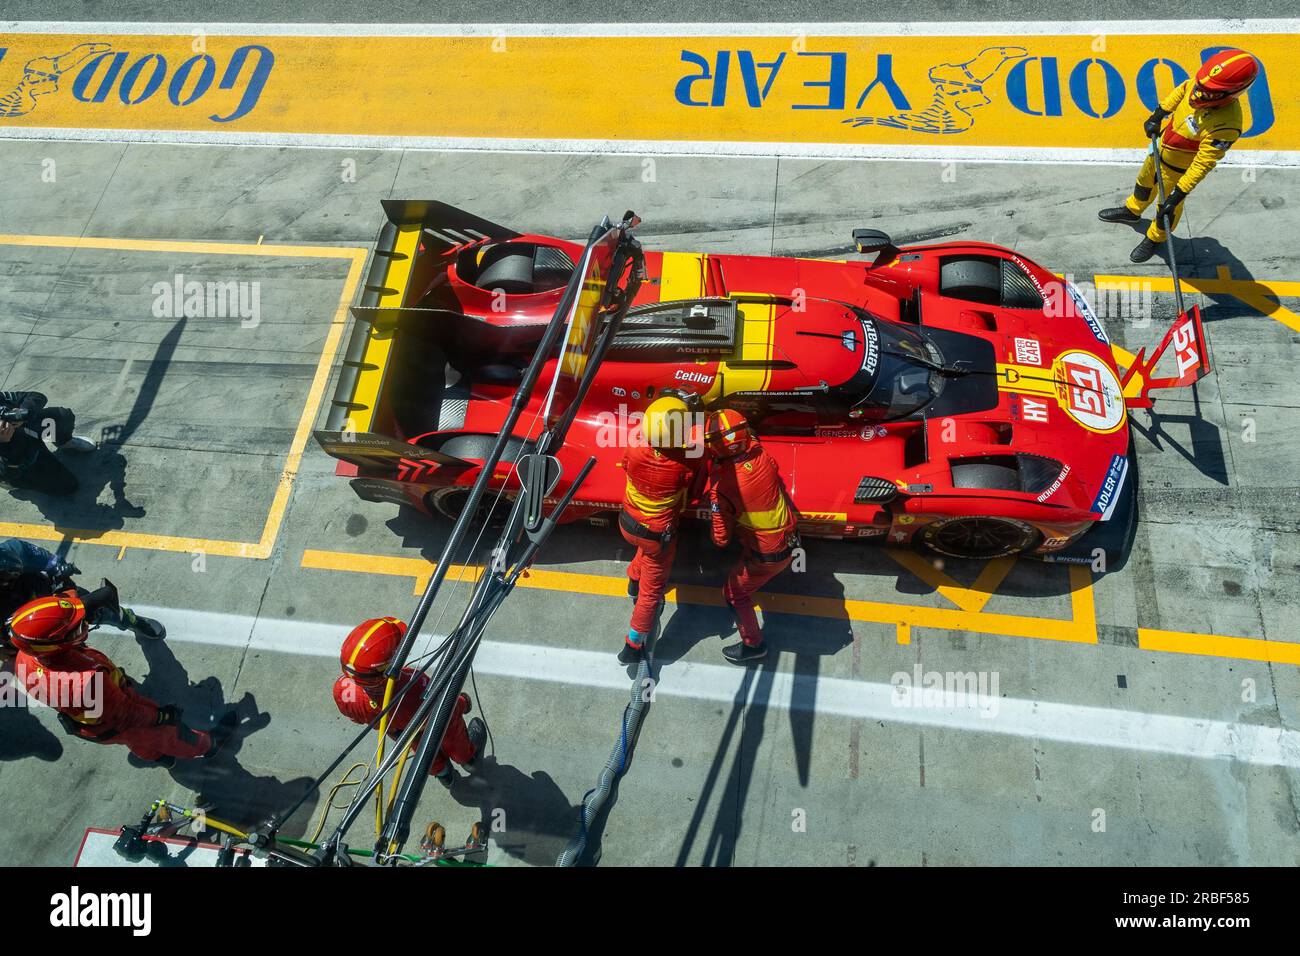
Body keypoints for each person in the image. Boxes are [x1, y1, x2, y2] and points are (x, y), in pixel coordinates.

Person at [8, 593, 234, 767]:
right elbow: (127, 715)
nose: (83, 626)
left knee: (138, 743)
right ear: (55, 645)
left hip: (97, 726)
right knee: (172, 735)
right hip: (118, 719)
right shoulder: (87, 680)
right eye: (76, 628)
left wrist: (89, 600)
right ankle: (209, 746)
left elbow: (59, 614)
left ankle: (159, 758)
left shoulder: (25, 657)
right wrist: (161, 716)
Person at [1098, 49, 1260, 263]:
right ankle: (1132, 210)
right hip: (1158, 148)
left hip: (1177, 171)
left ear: (1229, 95)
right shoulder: (1203, 84)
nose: (1197, 94)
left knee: (1165, 210)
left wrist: (1178, 195)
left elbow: (1202, 165)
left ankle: (1155, 237)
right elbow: (1182, 90)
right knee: (1143, 183)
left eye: (1206, 92)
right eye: (1200, 86)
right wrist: (1158, 114)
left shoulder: (1227, 125)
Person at [332, 617, 486, 788]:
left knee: (426, 756)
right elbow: (446, 706)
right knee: (455, 740)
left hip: (403, 734)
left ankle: (445, 776)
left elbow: (359, 719)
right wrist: (462, 702)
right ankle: (468, 761)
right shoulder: (414, 687)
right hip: (439, 725)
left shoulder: (341, 691)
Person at [705, 409, 800, 665]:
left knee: (734, 593)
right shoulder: (764, 456)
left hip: (766, 555)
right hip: (789, 540)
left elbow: (721, 538)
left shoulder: (721, 488)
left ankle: (753, 644)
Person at [617, 395, 704, 664]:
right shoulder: (683, 462)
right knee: (651, 594)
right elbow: (695, 489)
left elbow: (626, 465)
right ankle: (632, 645)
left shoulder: (634, 442)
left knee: (643, 552)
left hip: (628, 522)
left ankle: (633, 579)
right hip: (657, 534)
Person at [0, 537, 165, 648]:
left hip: (56, 596)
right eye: (9, 578)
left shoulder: (10, 551)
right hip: (34, 635)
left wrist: (57, 567)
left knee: (102, 611)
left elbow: (34, 554)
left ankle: (128, 620)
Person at [0, 390, 97, 496]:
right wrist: (4, 444)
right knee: (67, 486)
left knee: (63, 416)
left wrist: (24, 411)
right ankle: (10, 483)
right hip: (17, 455)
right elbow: (8, 470)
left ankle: (65, 442)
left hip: (27, 429)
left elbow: (37, 396)